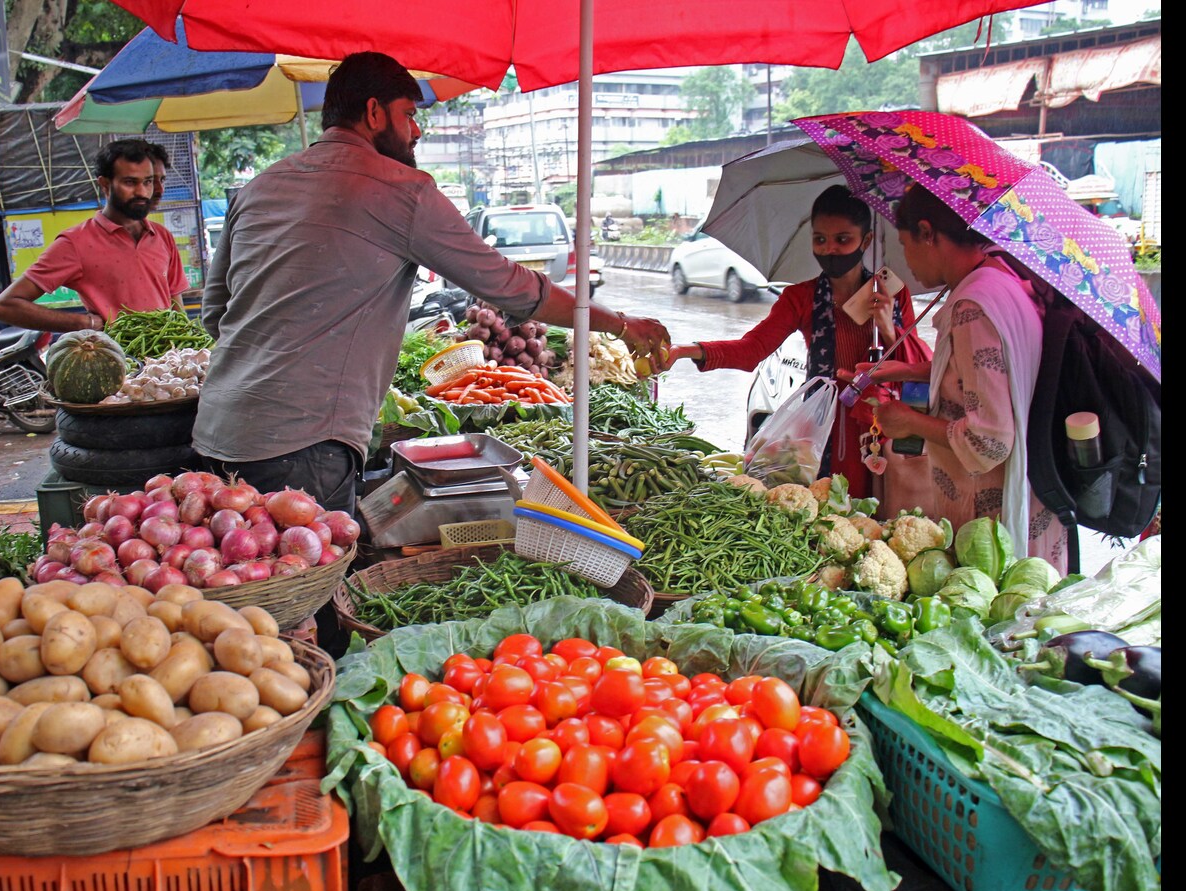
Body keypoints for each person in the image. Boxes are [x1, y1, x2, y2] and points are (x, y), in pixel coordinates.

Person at [194, 51, 669, 518]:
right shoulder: (402, 190)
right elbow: (513, 287)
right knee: (308, 589)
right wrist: (618, 324)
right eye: (409, 114)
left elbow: (216, 314)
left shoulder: (259, 187)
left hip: (216, 430)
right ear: (374, 112)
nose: (416, 130)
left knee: (239, 591)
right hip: (304, 443)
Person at [662, 185, 930, 499]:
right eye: (820, 239)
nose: (829, 250)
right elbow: (753, 349)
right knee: (822, 509)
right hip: (819, 429)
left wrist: (887, 328)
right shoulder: (800, 298)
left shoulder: (892, 294)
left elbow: (918, 369)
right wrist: (684, 351)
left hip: (877, 430)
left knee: (876, 513)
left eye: (842, 240)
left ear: (866, 241)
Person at [861, 184, 1066, 569]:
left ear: (927, 232)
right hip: (1033, 493)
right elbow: (988, 373)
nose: (906, 260)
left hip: (992, 520)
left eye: (905, 244)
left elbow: (989, 441)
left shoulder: (974, 307)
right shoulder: (999, 275)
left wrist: (909, 421)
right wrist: (908, 369)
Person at [0, 139, 188, 333]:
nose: (142, 192)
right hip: (118, 361)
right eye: (130, 182)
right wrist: (81, 323)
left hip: (169, 360)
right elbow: (4, 306)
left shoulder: (162, 236)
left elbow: (177, 309)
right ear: (105, 184)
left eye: (147, 182)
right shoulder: (76, 243)